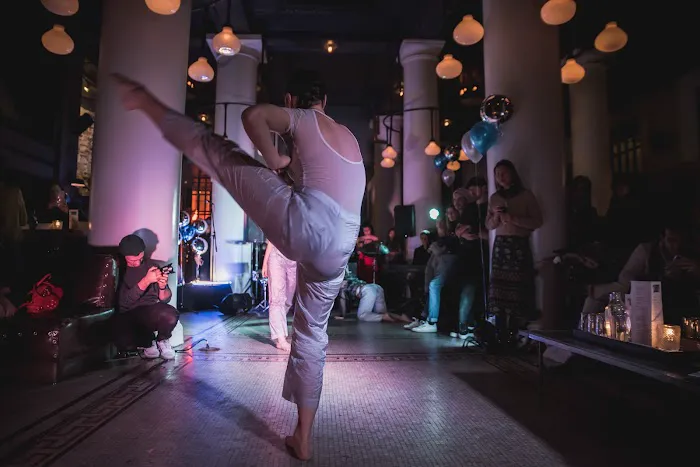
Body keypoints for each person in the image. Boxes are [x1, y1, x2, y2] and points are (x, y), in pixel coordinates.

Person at [112, 70, 365, 461]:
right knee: (313, 334)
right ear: (327, 104)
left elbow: (253, 116)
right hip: (342, 243)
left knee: (216, 150)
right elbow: (318, 181)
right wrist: (287, 171)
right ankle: (303, 437)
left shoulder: (301, 119)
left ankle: (145, 101)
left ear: (291, 100)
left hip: (310, 223)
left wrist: (275, 156)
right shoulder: (347, 137)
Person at [486, 159, 543, 345]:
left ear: (512, 173)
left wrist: (513, 218)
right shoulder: (495, 198)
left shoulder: (526, 195)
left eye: (503, 173)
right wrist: (496, 215)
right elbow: (489, 225)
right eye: (497, 174)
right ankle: (500, 333)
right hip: (501, 247)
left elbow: (537, 221)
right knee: (500, 291)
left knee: (518, 290)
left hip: (518, 246)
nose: (500, 177)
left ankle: (517, 333)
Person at [114, 234, 179, 360]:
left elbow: (165, 299)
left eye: (140, 258)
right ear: (124, 257)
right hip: (129, 313)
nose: (137, 263)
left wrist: (162, 286)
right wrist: (145, 281)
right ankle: (147, 343)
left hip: (150, 310)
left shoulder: (151, 266)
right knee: (130, 325)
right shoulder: (119, 269)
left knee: (171, 314)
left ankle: (162, 341)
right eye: (132, 261)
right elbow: (124, 303)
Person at [262, 240, 297, 351]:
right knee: (276, 299)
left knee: (288, 300)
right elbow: (272, 240)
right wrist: (265, 262)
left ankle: (279, 329)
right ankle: (281, 338)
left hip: (294, 258)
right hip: (276, 255)